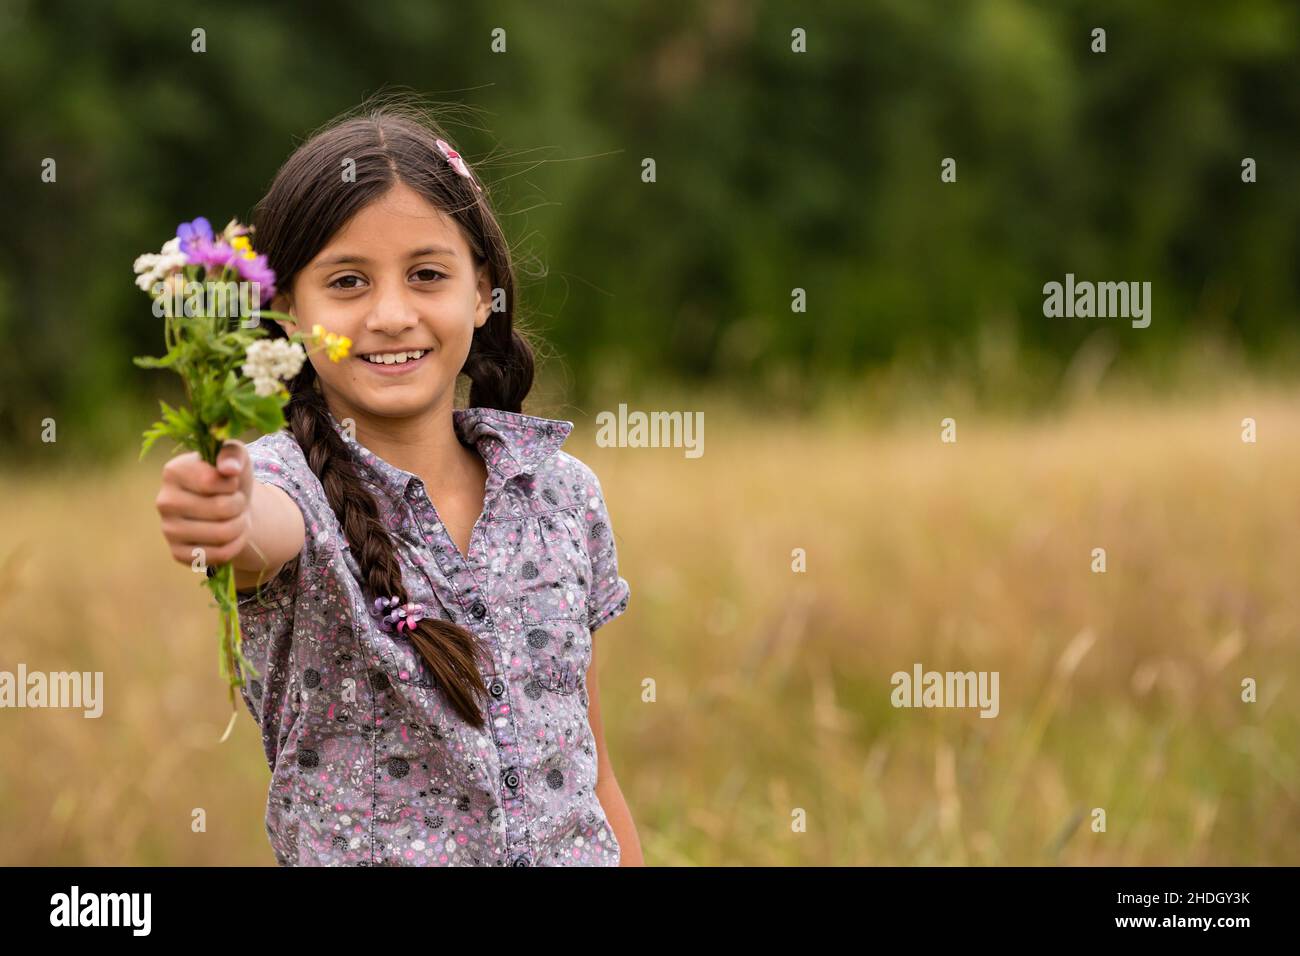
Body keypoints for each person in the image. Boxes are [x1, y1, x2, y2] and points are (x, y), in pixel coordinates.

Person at [153, 97, 638, 866]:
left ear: (482, 292)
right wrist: (222, 509)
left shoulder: (561, 493)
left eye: (426, 275)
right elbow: (258, 532)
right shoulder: (290, 488)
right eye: (346, 281)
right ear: (286, 309)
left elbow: (591, 774)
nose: (390, 314)